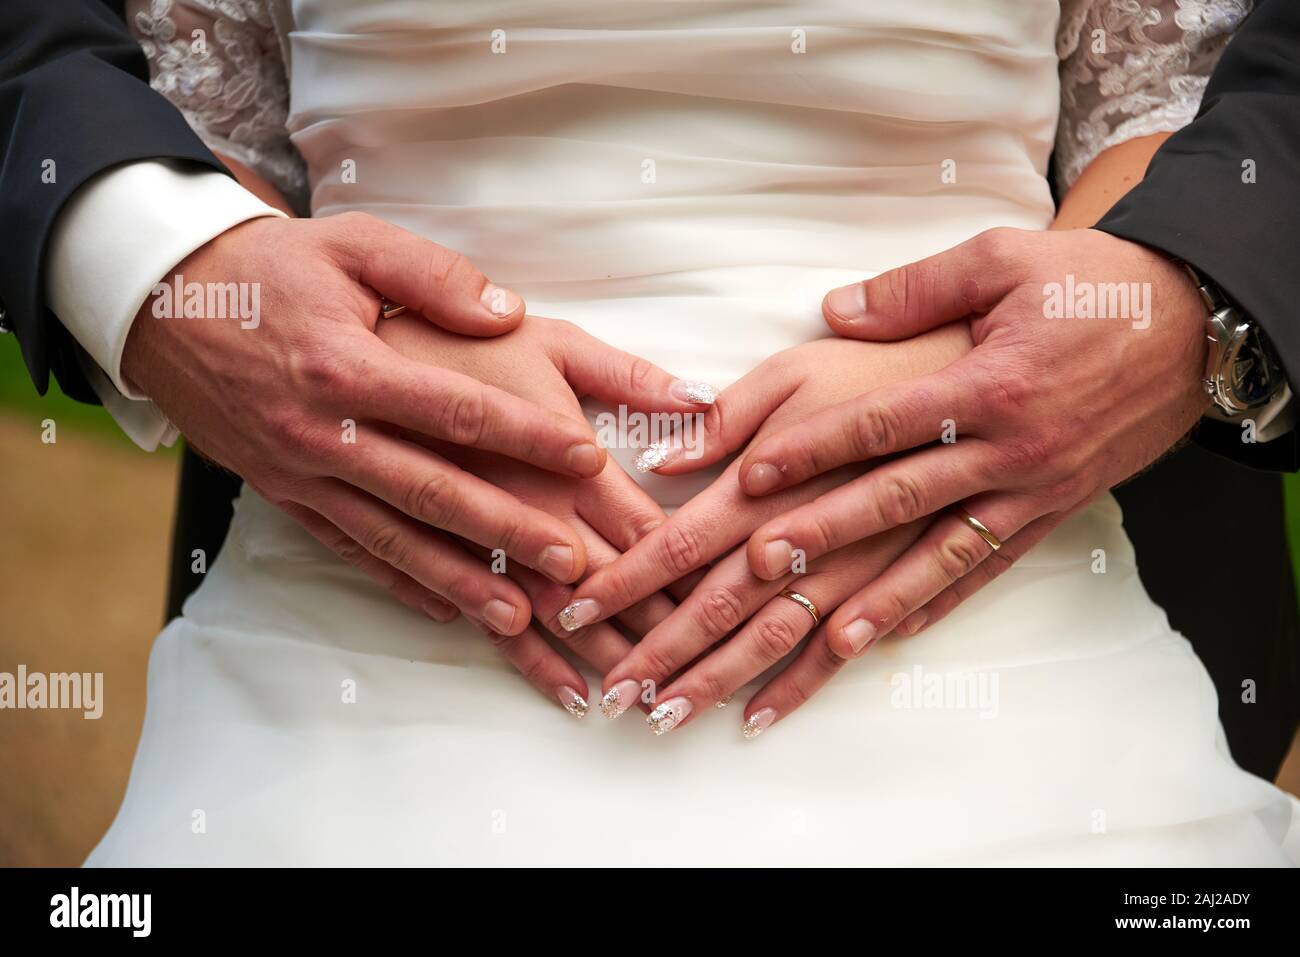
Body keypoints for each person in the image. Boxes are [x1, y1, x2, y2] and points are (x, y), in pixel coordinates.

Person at [10, 0, 1277, 864]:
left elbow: (1171, 100)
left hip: (1019, 683)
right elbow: (161, 94)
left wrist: (1153, 306)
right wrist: (187, 282)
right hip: (348, 661)